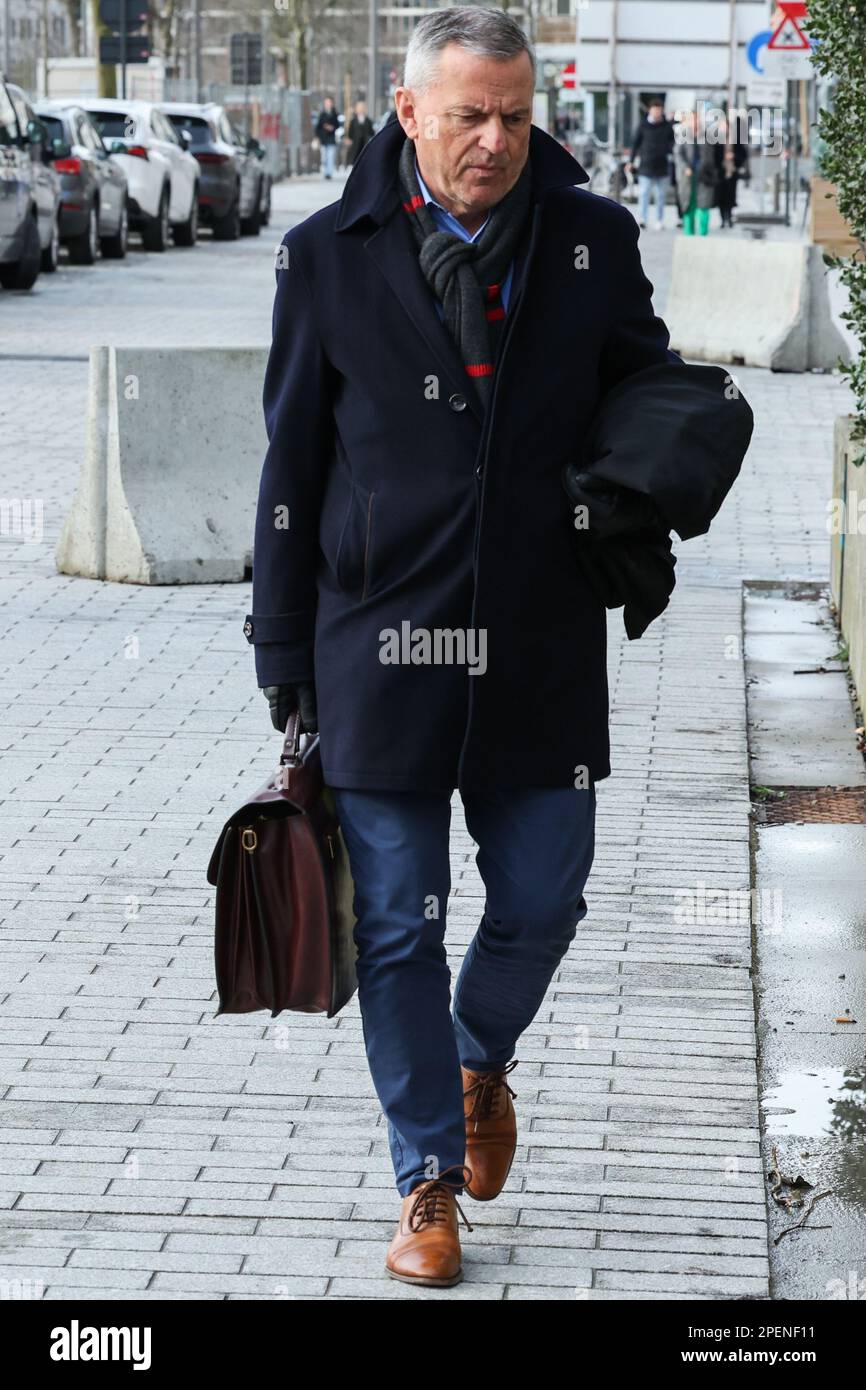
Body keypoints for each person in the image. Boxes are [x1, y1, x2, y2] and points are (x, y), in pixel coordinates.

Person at [245, 6, 679, 1288]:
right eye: (466, 115)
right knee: (393, 926)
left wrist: (659, 471)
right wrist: (281, 644)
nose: (493, 140)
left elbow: (639, 387)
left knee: (543, 895)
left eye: (512, 113)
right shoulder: (325, 256)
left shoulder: (593, 241)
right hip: (376, 644)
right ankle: (425, 1178)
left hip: (537, 639)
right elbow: (290, 461)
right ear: (407, 110)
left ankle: (475, 1057)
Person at [627, 97, 675, 230]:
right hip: (646, 165)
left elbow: (672, 142)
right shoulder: (643, 125)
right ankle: (642, 218)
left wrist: (668, 151)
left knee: (660, 195)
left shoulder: (667, 126)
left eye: (659, 110)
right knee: (644, 193)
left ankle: (659, 219)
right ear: (650, 110)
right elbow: (635, 144)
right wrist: (631, 161)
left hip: (662, 165)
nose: (657, 113)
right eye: (655, 110)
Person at [675, 110, 718, 236]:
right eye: (692, 119)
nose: (695, 122)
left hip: (704, 176)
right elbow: (678, 154)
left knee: (703, 205)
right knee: (688, 205)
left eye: (697, 119)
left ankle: (703, 235)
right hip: (687, 177)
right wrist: (685, 168)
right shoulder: (682, 136)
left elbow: (712, 155)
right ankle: (688, 234)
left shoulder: (707, 136)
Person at [714, 119, 749, 229]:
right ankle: (722, 219)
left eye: (726, 127)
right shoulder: (715, 140)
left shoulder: (735, 140)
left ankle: (728, 217)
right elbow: (711, 156)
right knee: (720, 197)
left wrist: (734, 157)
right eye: (722, 127)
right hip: (720, 172)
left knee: (730, 197)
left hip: (732, 172)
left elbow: (743, 154)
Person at [315, 96, 340, 178]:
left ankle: (329, 173)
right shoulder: (322, 114)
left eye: (329, 103)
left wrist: (332, 128)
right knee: (324, 157)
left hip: (331, 138)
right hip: (323, 138)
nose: (328, 104)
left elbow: (337, 125)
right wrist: (320, 133)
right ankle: (325, 171)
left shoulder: (335, 114)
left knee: (330, 155)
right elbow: (318, 127)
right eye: (327, 103)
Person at [346, 100, 375, 166]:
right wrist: (349, 139)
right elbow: (350, 131)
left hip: (365, 142)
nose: (361, 110)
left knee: (364, 156)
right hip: (355, 142)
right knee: (355, 157)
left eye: (362, 108)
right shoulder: (353, 120)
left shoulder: (368, 120)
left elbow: (371, 131)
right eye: (359, 108)